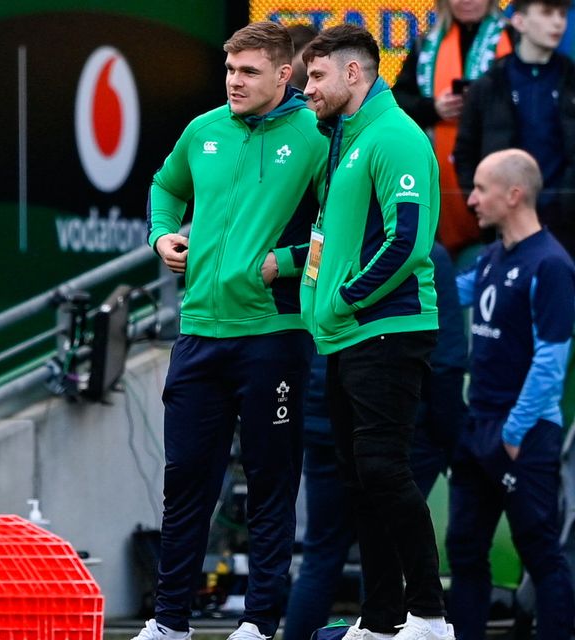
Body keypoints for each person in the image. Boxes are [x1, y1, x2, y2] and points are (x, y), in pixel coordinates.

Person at [132, 21, 326, 640]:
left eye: (248, 72)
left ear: (283, 75)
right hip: (199, 332)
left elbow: (342, 223)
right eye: (230, 71)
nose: (234, 83)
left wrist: (290, 261)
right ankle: (169, 623)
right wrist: (163, 233)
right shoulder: (204, 130)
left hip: (275, 332)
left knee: (271, 485)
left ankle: (259, 622)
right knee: (185, 483)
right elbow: (165, 188)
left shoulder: (318, 136)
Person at [300, 25, 453, 640]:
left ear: (354, 74)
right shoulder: (344, 141)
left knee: (384, 469)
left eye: (316, 76)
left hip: (386, 328)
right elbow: (330, 242)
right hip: (344, 334)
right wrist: (298, 277)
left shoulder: (393, 135)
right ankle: (384, 617)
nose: (305, 87)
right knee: (361, 478)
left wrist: (342, 299)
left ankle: (431, 616)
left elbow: (408, 240)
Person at [284, 243, 468, 640]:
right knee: (383, 541)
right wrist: (447, 436)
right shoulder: (421, 253)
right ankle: (390, 624)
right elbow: (450, 356)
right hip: (391, 426)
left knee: (323, 553)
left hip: (324, 417)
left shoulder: (333, 246)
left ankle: (381, 625)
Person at [446, 149, 575, 640]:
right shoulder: (491, 258)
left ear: (514, 194)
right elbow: (444, 294)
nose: (472, 199)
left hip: (522, 434)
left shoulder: (551, 265)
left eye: (481, 188)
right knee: (464, 549)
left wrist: (515, 431)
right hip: (476, 425)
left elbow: (551, 360)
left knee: (540, 550)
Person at [453, 0, 575, 256]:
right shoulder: (489, 84)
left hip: (566, 228)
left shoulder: (570, 79)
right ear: (519, 21)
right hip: (505, 227)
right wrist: (485, 201)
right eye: (547, 12)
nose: (557, 22)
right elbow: (464, 153)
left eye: (562, 15)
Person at [393, 0, 512, 255]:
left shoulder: (513, 37)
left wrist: (480, 105)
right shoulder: (426, 45)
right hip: (440, 178)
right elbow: (398, 101)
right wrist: (434, 108)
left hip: (499, 172)